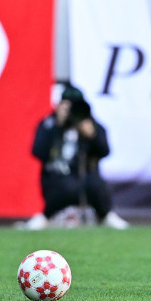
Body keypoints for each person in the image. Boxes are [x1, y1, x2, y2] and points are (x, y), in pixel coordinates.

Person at [27, 86, 129, 230]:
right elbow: (38, 151)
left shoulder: (89, 123)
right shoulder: (49, 124)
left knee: (95, 184)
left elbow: (105, 151)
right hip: (56, 178)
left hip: (86, 177)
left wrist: (92, 135)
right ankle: (45, 217)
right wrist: (57, 126)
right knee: (66, 186)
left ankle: (106, 215)